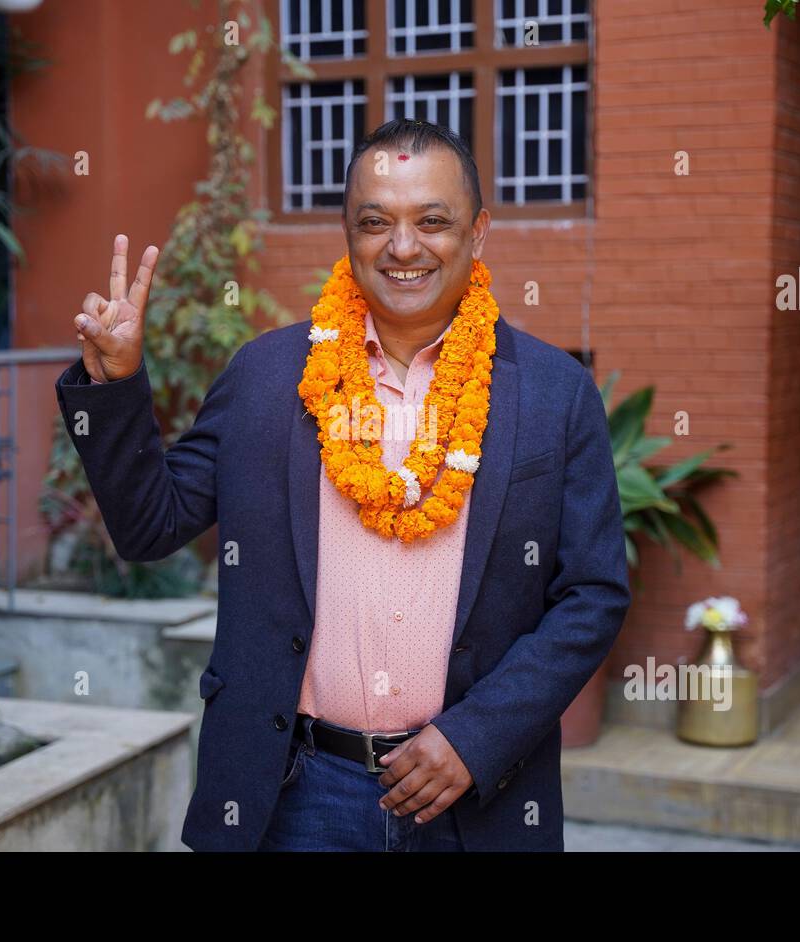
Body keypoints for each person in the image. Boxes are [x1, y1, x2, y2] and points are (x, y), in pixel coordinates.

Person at [55, 119, 630, 852]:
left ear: (478, 233)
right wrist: (117, 386)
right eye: (375, 222)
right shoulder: (266, 377)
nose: (403, 247)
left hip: (471, 795)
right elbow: (149, 526)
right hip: (297, 792)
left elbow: (592, 595)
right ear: (348, 234)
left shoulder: (554, 393)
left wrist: (476, 737)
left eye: (433, 221)